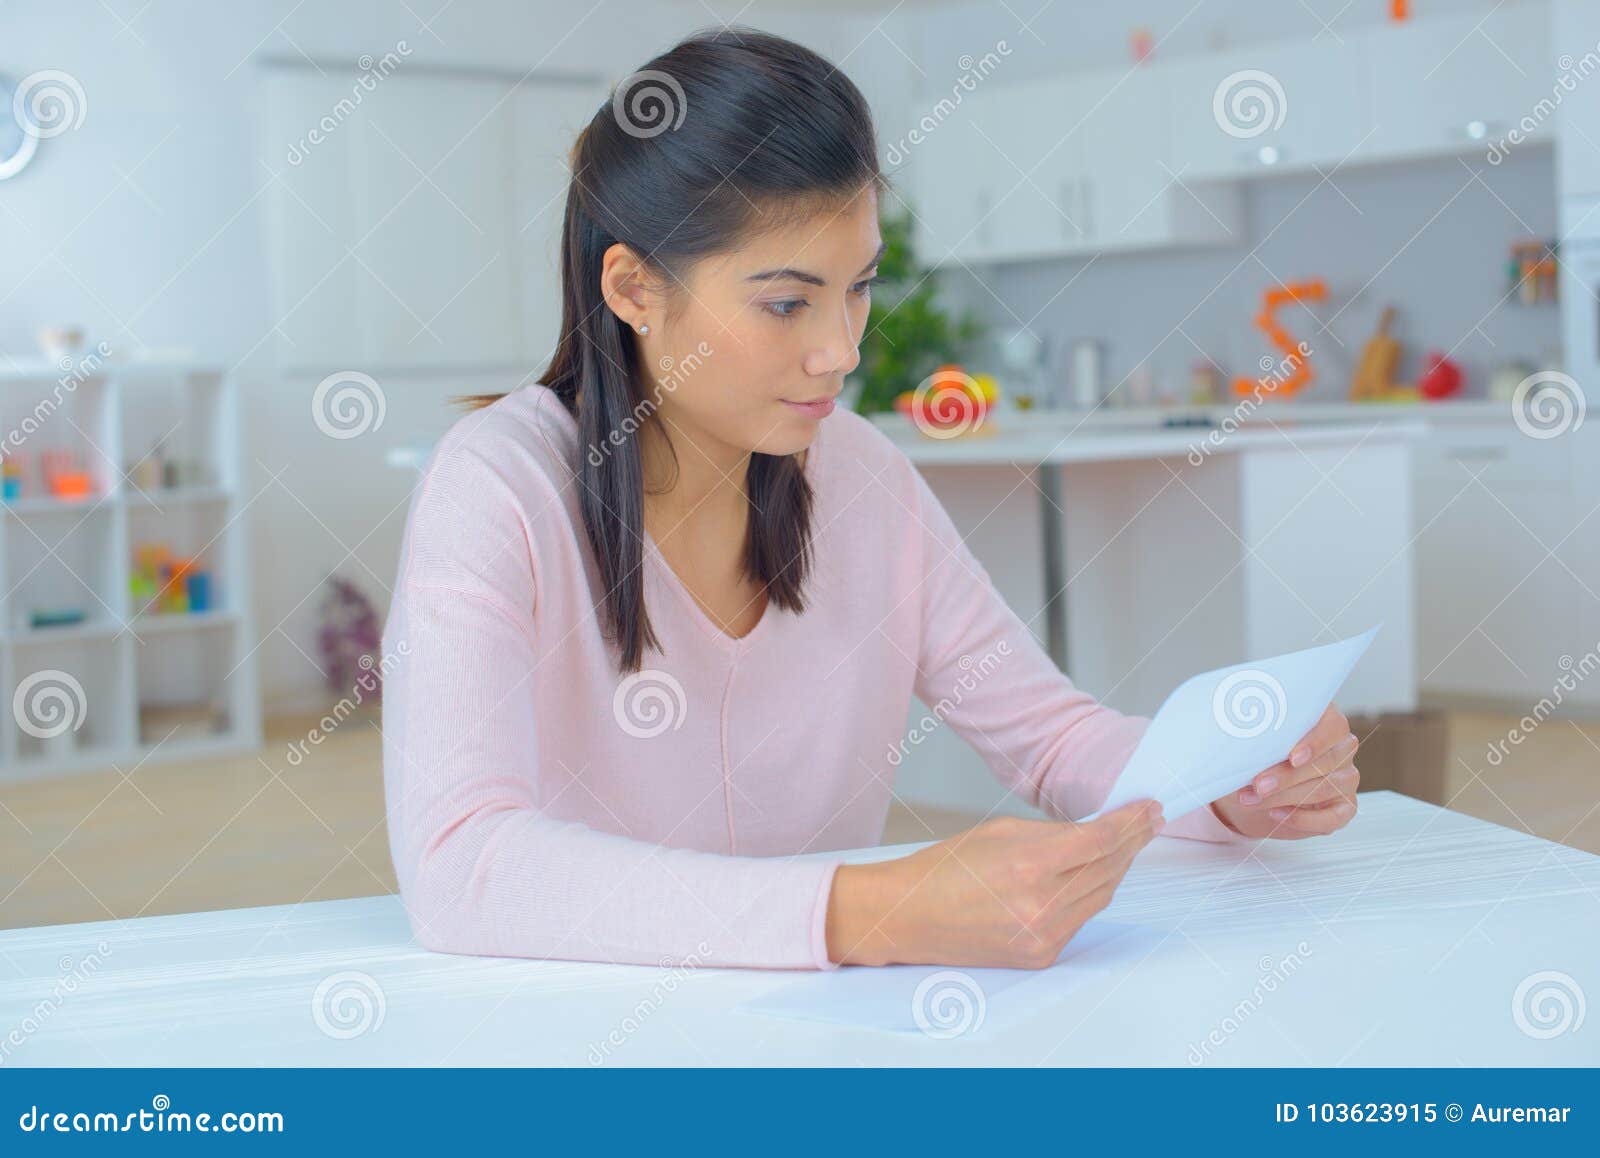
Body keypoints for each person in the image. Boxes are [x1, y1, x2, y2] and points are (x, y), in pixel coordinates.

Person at [380, 28, 1361, 972]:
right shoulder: (498, 485)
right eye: (784, 302)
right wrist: (872, 910)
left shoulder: (858, 474)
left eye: (857, 288)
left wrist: (1225, 784)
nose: (840, 350)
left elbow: (1053, 737)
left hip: (818, 1035)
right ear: (634, 289)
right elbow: (461, 861)